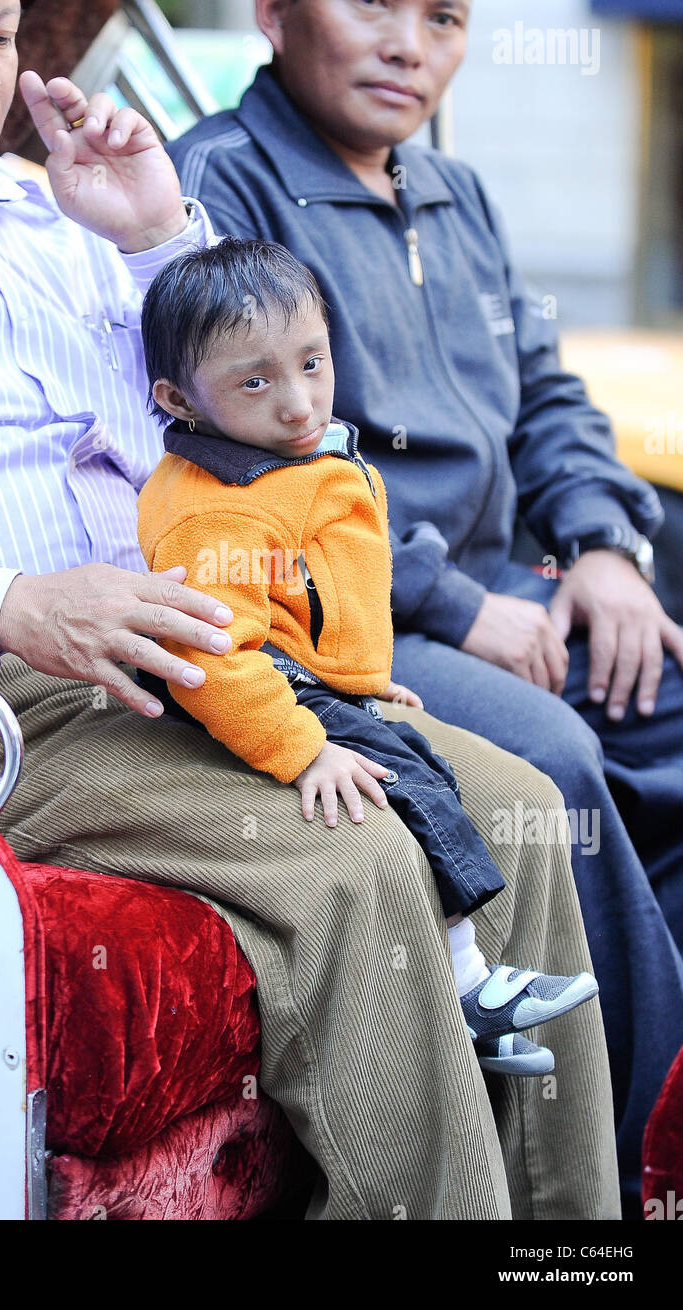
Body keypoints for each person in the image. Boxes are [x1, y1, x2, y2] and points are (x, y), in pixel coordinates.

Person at [0, 0, 618, 1219]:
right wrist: (13, 603)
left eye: (6, 33)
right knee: (354, 857)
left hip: (198, 650)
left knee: (519, 808)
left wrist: (144, 237)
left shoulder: (46, 211)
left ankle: (576, 1236)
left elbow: (223, 424)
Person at [166, 0, 683, 1215]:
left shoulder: (458, 194)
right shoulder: (221, 187)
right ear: (280, 6)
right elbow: (246, 457)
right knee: (555, 760)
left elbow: (552, 397)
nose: (409, 44)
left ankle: (660, 1101)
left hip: (524, 580)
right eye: (373, 1)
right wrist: (461, 602)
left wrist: (604, 550)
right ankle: (609, 1178)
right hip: (350, 613)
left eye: (444, 18)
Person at [137, 235, 601, 1079]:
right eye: (255, 381)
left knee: (427, 753)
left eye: (312, 362)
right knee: (404, 780)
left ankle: (480, 1007)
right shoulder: (221, 514)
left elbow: (318, 596)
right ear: (181, 400)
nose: (296, 401)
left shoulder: (294, 460)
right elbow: (209, 654)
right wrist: (305, 745)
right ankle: (466, 986)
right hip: (264, 689)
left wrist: (362, 683)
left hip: (303, 674)